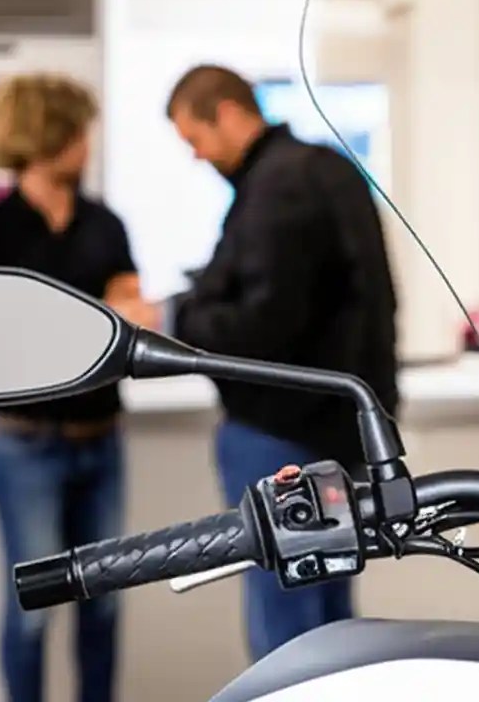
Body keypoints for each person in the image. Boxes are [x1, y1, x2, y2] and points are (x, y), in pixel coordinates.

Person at [144, 64, 400, 660]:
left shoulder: (277, 186)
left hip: (281, 438)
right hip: (344, 433)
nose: (196, 156)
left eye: (194, 139)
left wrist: (174, 318)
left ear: (228, 115)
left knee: (286, 634)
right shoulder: (330, 169)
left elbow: (260, 327)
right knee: (333, 623)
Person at [0, 73, 141, 702]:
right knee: (32, 613)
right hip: (27, 445)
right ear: (48, 134)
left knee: (105, 605)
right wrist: (95, 313)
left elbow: (129, 314)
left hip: (102, 438)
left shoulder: (106, 223)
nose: (88, 143)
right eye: (79, 130)